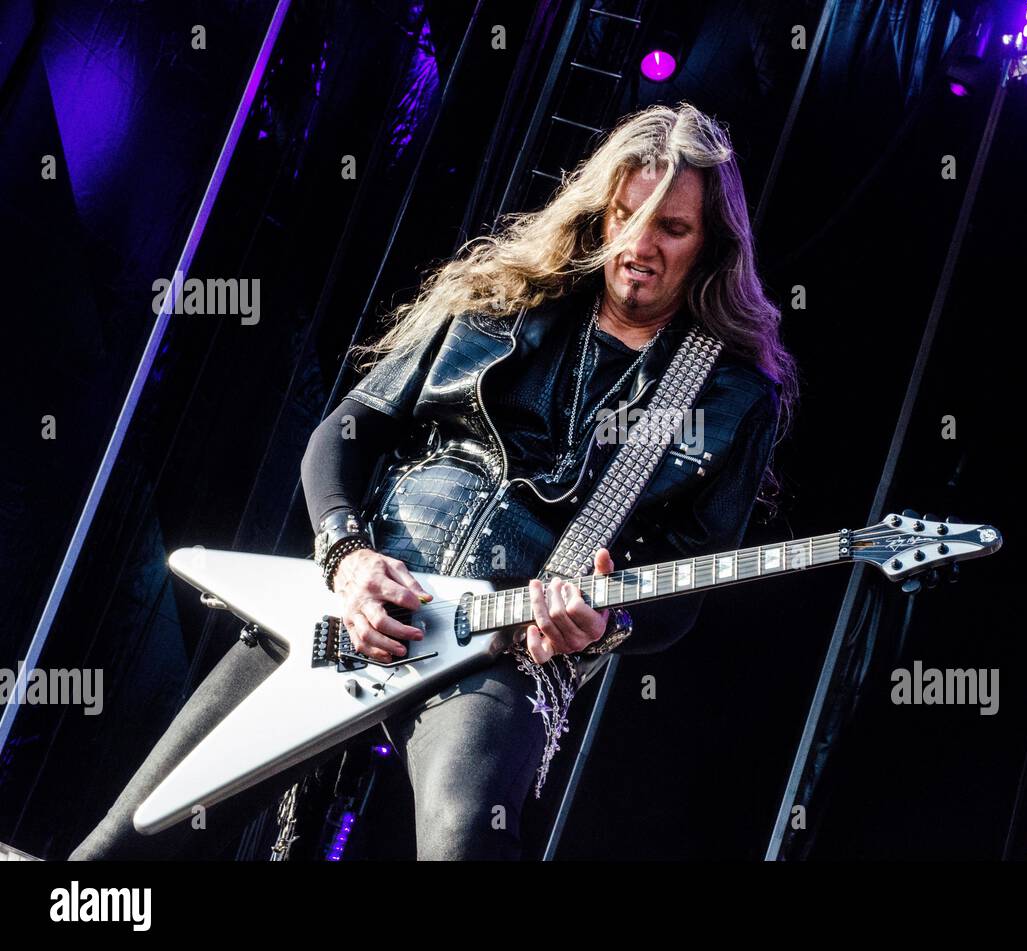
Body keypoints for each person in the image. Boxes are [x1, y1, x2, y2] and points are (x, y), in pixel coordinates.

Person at [70, 100, 797, 861]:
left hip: (506, 649)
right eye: (625, 216)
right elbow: (344, 435)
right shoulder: (506, 294)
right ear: (600, 213)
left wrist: (606, 621)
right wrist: (346, 557)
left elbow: (680, 594)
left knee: (462, 842)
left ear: (712, 244)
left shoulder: (730, 395)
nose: (640, 246)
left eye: (672, 229)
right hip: (351, 605)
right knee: (119, 853)